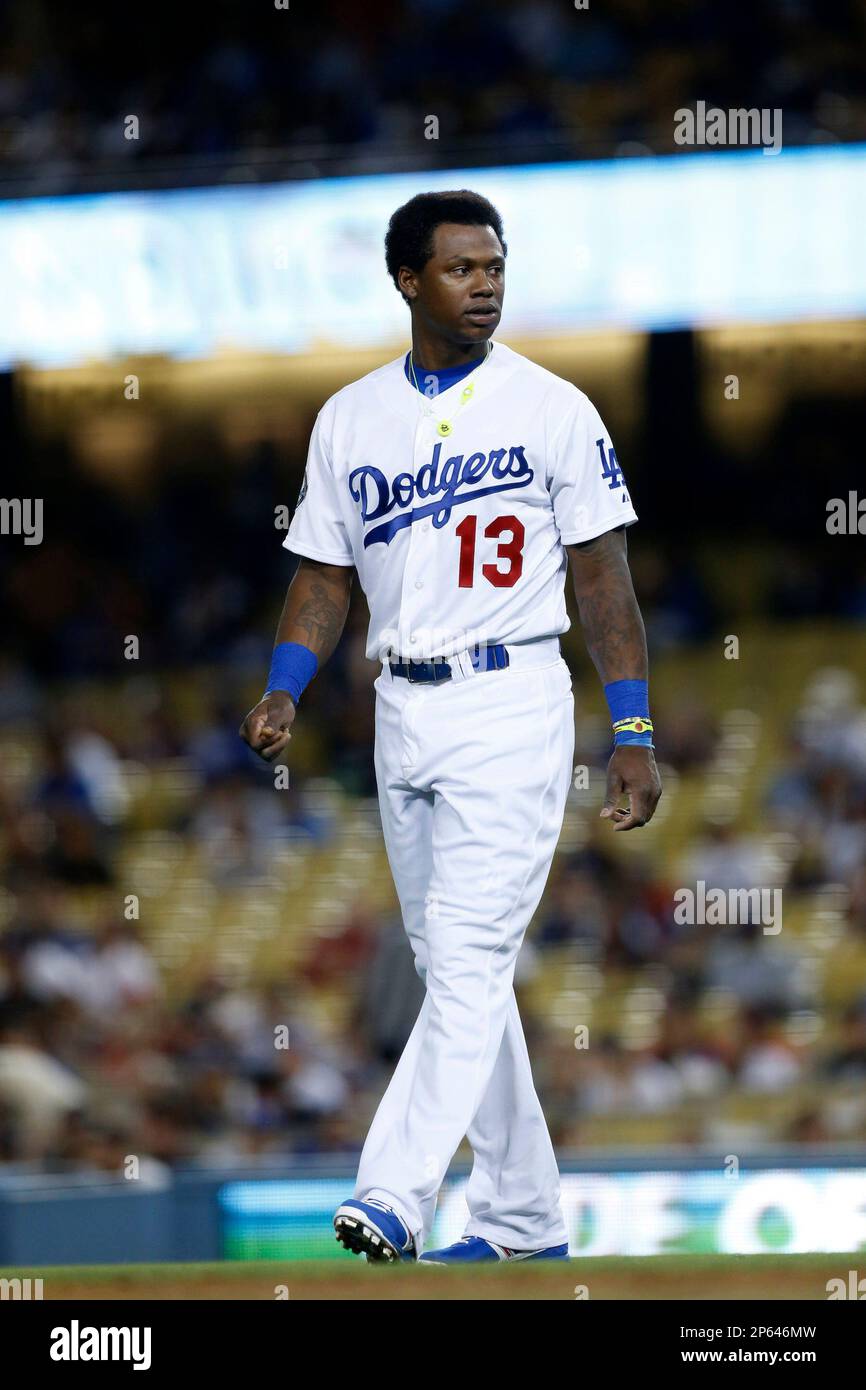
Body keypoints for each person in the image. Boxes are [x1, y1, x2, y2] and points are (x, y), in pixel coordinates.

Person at [239, 190, 661, 1264]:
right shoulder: (349, 418)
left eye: (494, 266)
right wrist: (287, 684)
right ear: (406, 281)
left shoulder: (552, 406)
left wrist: (631, 724)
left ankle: (391, 1192)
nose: (484, 284)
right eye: (461, 268)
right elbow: (322, 575)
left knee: (468, 955)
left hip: (510, 693)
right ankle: (524, 1224)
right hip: (400, 706)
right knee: (452, 973)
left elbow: (602, 578)